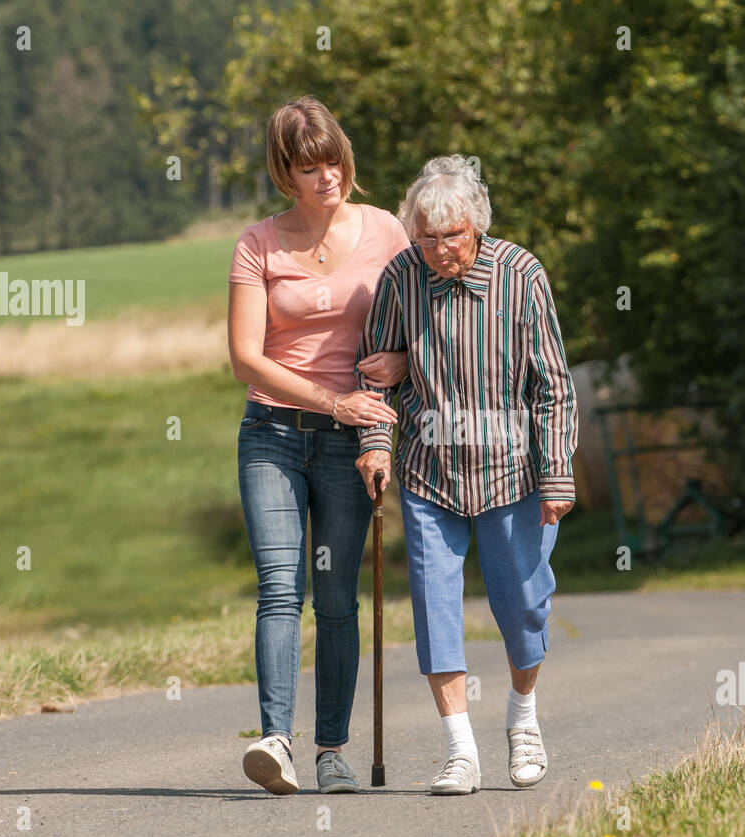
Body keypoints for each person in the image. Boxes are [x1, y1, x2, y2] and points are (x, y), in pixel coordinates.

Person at [353, 155, 578, 795]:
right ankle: (459, 750)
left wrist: (557, 471)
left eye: (450, 238)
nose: (438, 251)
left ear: (476, 226)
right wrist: (375, 442)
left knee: (525, 605)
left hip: (515, 470)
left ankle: (523, 715)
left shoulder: (521, 274)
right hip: (431, 472)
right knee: (434, 607)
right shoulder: (401, 277)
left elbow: (554, 385)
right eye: (425, 239)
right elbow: (374, 374)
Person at [228, 96, 411, 795]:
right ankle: (277, 740)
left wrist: (397, 367)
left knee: (337, 599)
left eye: (333, 158)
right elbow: (247, 358)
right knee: (281, 588)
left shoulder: (387, 229)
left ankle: (332, 750)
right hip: (271, 434)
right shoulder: (259, 243)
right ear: (286, 173)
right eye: (310, 166)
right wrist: (331, 397)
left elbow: (411, 322)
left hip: (350, 445)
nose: (327, 175)